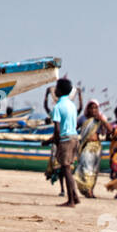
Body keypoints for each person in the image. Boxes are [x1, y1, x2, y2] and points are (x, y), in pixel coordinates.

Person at [47, 78, 81, 207]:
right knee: (67, 169)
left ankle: (71, 200)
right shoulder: (72, 105)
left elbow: (57, 128)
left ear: (59, 90)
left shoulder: (58, 107)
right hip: (74, 137)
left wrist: (54, 141)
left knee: (66, 170)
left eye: (56, 87)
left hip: (65, 139)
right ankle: (75, 197)